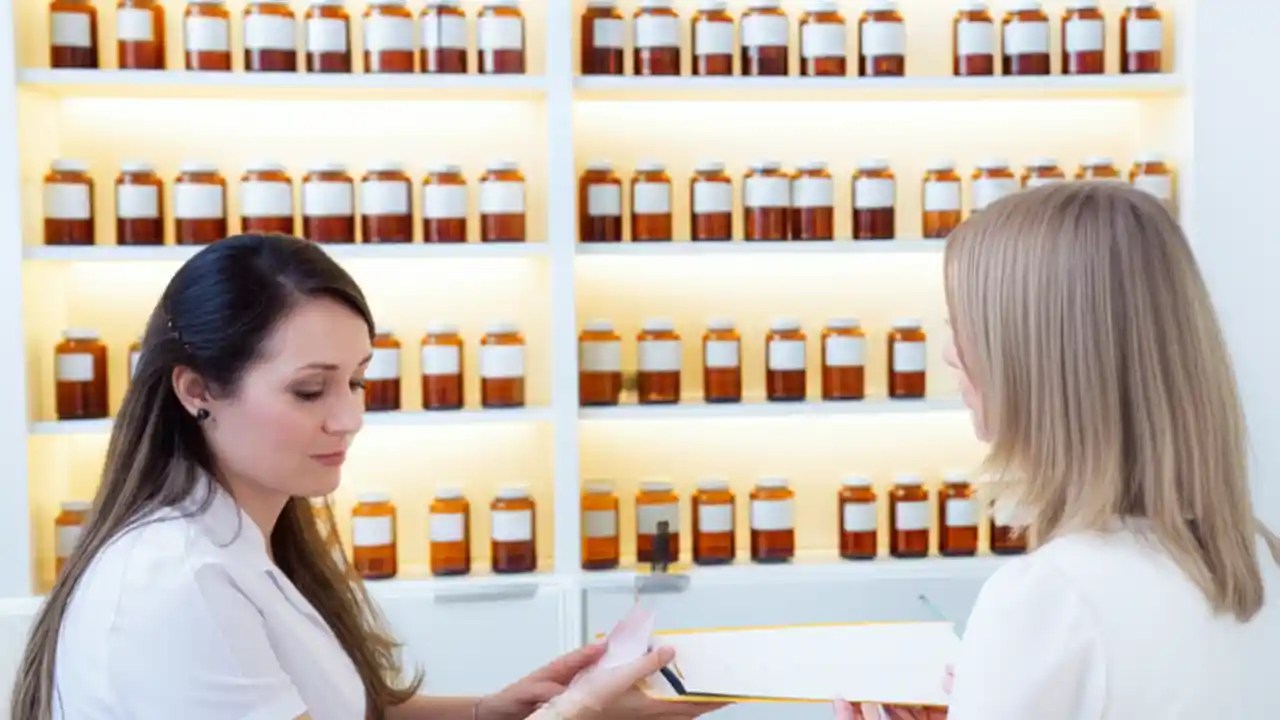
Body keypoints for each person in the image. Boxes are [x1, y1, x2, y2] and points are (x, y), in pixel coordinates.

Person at [10, 233, 723, 720]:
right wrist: (576, 709)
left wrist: (489, 712)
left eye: (357, 381)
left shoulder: (239, 543)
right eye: (310, 390)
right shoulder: (172, 582)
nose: (349, 417)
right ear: (197, 390)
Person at [835, 183, 1280, 720]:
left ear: (1034, 362)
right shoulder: (1258, 558)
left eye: (966, 325)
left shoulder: (1050, 598)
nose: (951, 352)